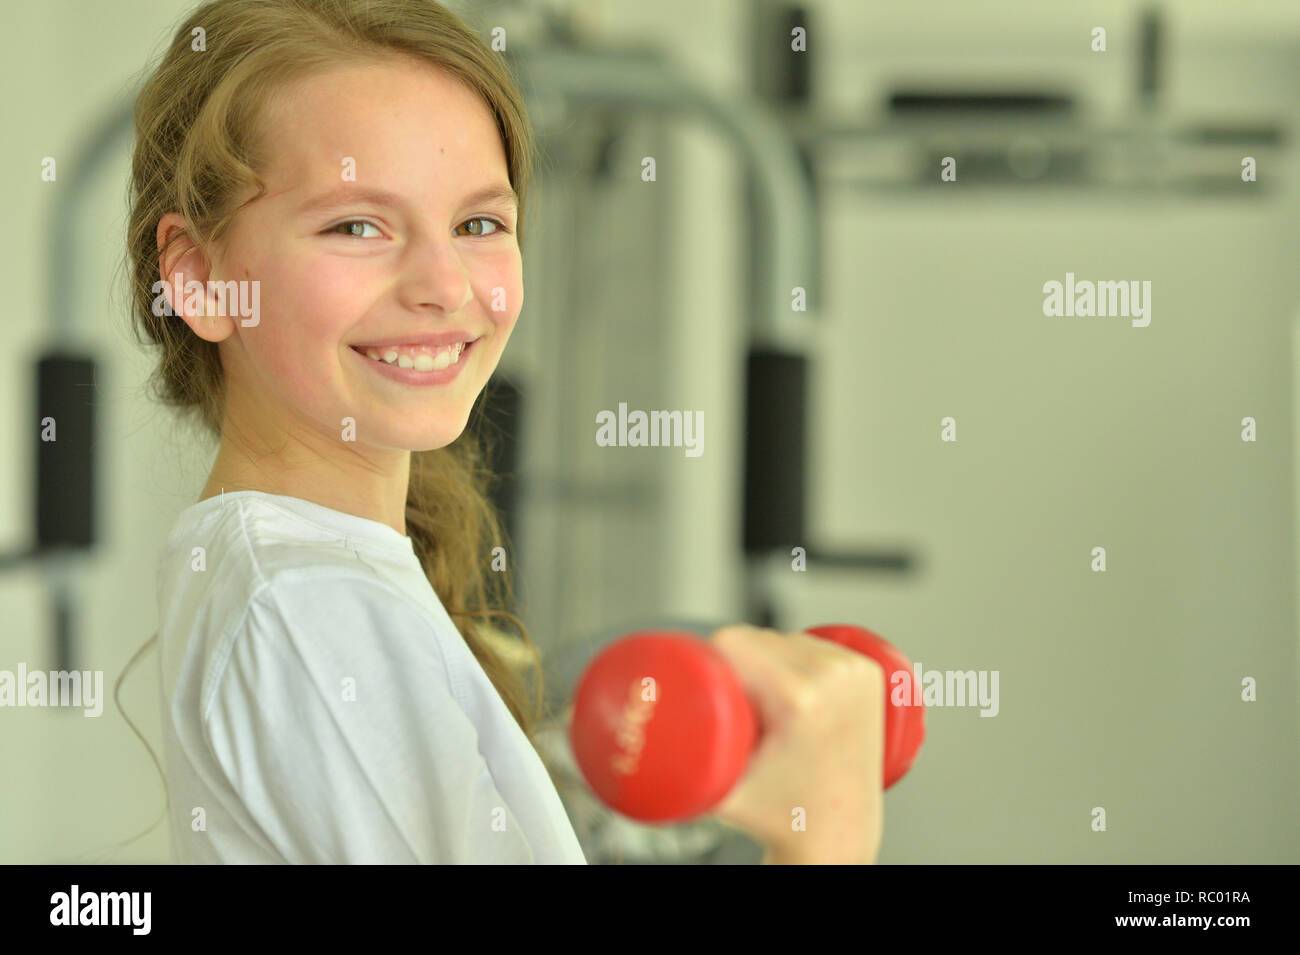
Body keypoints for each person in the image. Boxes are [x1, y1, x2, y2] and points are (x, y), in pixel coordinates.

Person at [124, 0, 885, 864]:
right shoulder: (307, 606)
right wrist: (828, 829)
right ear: (199, 278)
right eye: (357, 226)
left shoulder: (297, 575)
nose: (444, 284)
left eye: (478, 223)